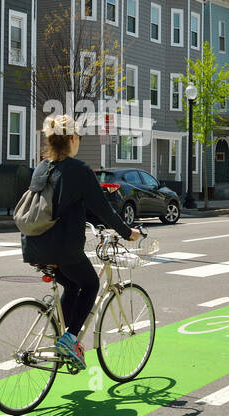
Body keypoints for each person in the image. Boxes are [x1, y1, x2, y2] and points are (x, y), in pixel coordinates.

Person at [21, 113, 143, 372]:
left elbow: (60, 205)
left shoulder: (43, 166)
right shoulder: (79, 170)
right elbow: (104, 210)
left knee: (71, 285)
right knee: (90, 284)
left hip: (33, 245)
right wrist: (126, 232)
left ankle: (62, 338)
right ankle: (70, 338)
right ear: (73, 139)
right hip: (62, 246)